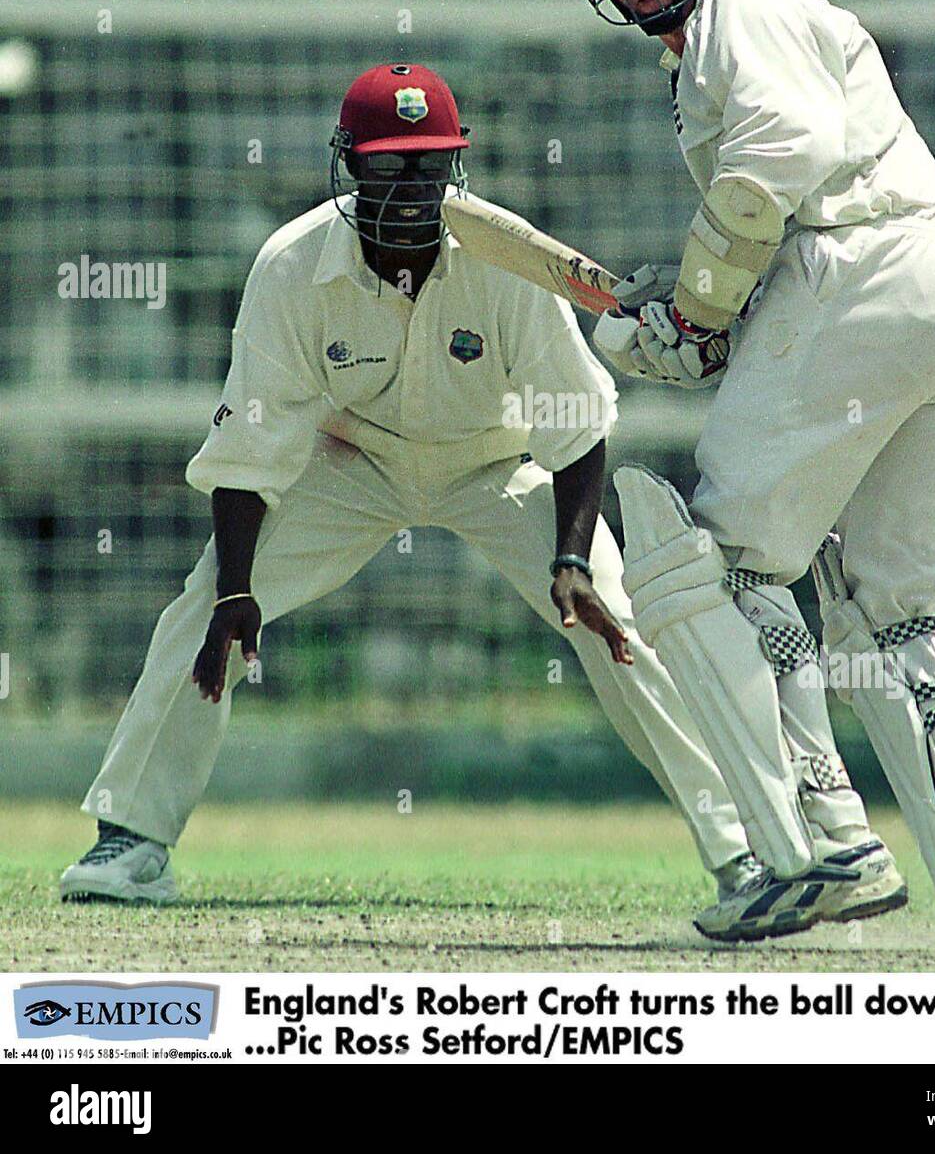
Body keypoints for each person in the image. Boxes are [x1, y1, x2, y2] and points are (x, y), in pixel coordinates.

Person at [63, 61, 786, 924]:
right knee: (200, 611)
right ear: (348, 165)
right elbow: (251, 447)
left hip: (494, 462)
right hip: (352, 462)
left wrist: (569, 558)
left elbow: (577, 418)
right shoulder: (291, 268)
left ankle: (745, 851)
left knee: (620, 622)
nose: (409, 189)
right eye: (387, 165)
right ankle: (132, 841)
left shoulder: (505, 258)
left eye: (428, 166)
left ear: (457, 169)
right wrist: (237, 589)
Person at [562, 0, 935, 953]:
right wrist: (707, 319)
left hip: (865, 277)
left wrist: (689, 318)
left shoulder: (750, 5)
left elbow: (769, 174)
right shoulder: (713, 43)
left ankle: (822, 843)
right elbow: (770, 213)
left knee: (717, 564)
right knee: (910, 606)